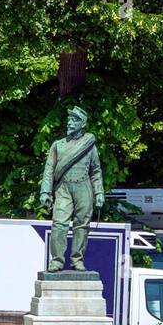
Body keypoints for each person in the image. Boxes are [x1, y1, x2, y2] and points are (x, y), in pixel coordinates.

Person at [40, 106, 104, 272]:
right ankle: (57, 261)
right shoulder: (58, 145)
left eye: (74, 120)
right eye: (69, 119)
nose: (69, 122)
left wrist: (99, 192)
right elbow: (49, 169)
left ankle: (77, 260)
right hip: (63, 188)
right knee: (59, 224)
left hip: (84, 187)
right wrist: (45, 191)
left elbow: (96, 171)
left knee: (82, 225)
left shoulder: (90, 145)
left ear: (82, 123)